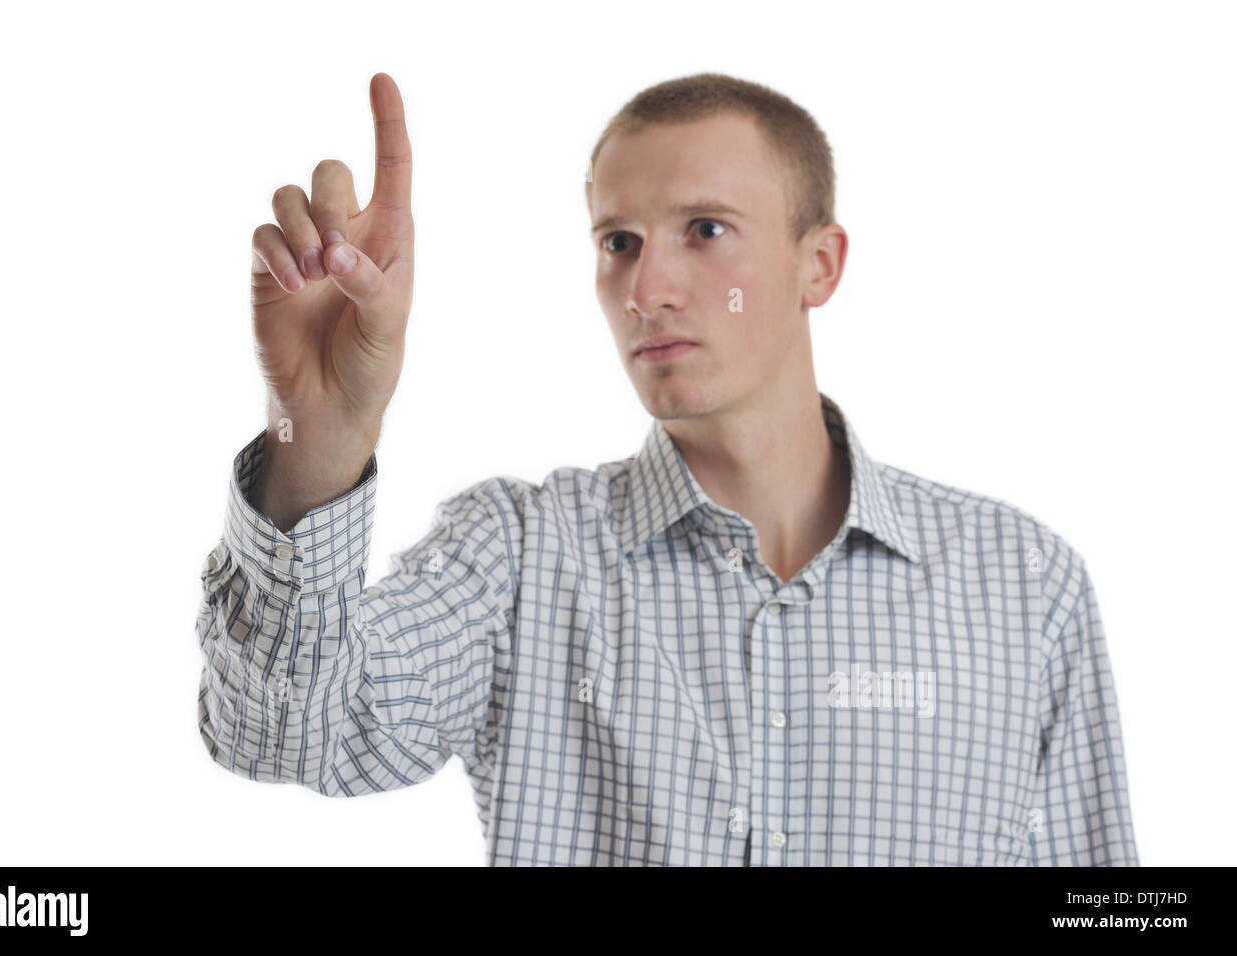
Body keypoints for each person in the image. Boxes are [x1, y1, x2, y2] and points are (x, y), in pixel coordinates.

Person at [197, 71, 1139, 866]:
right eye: (620, 243)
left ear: (820, 265)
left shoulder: (1022, 582)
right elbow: (282, 732)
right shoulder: (520, 559)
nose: (647, 291)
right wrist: (313, 436)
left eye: (705, 230)